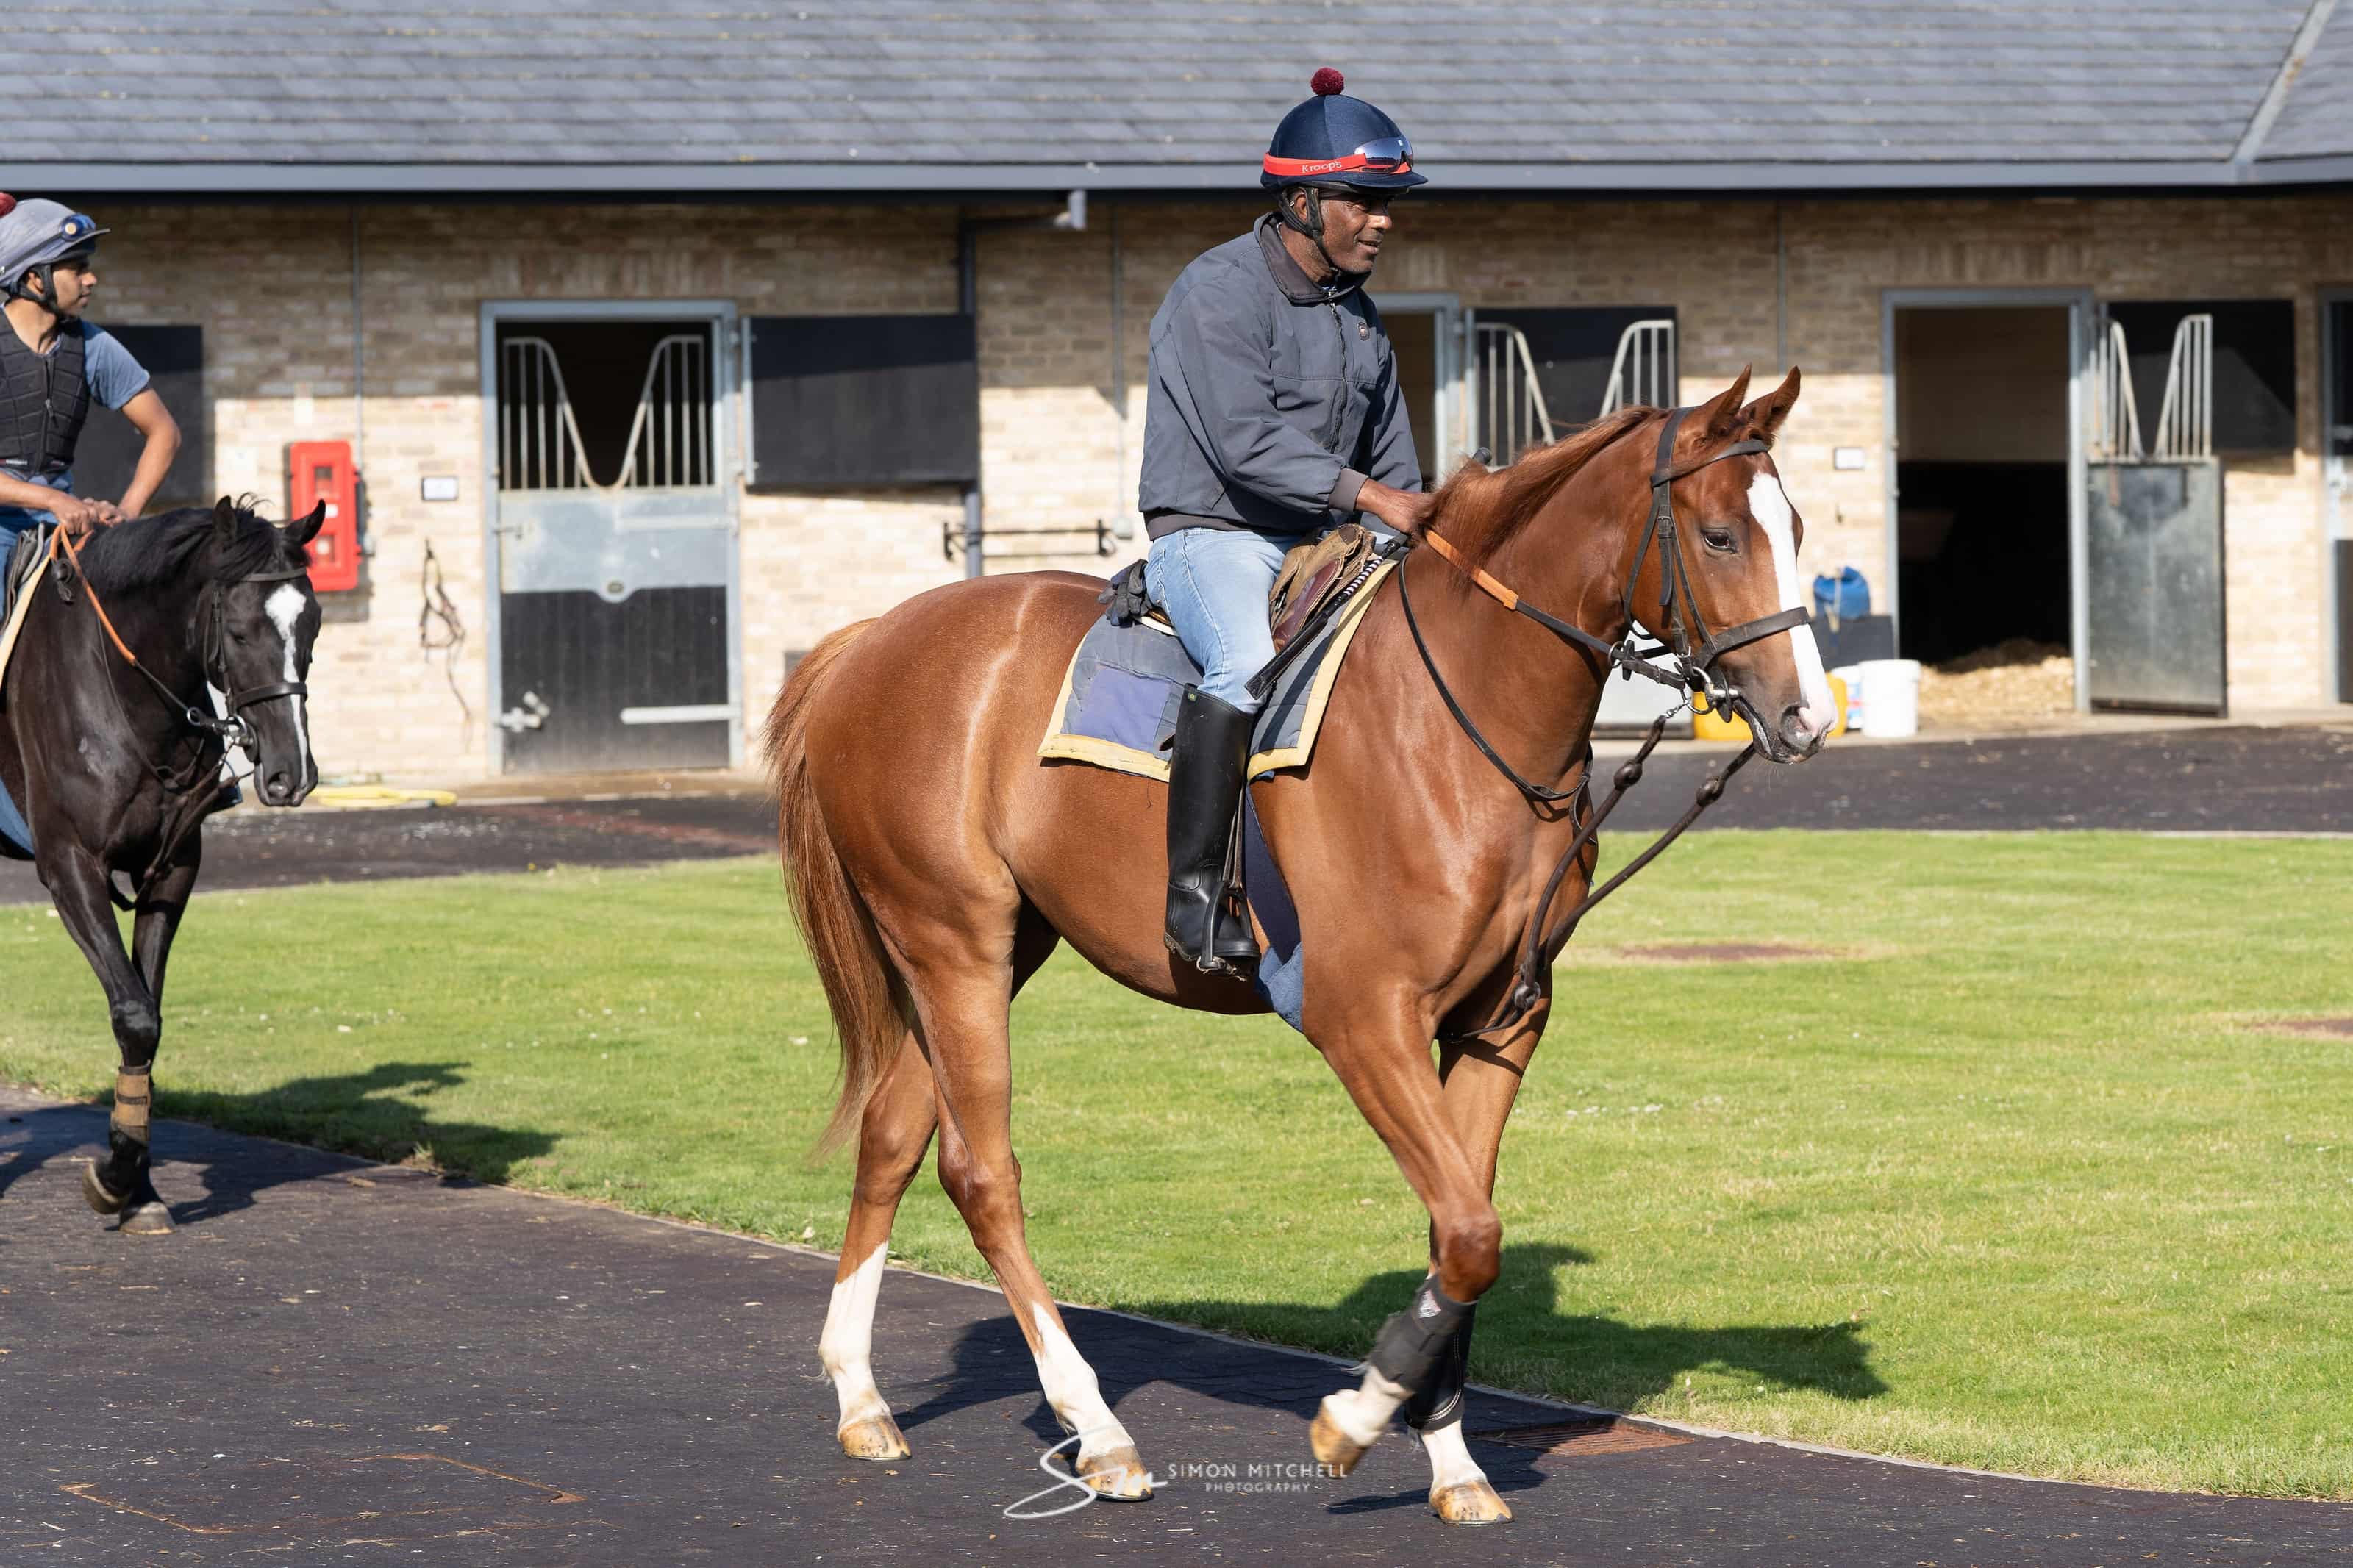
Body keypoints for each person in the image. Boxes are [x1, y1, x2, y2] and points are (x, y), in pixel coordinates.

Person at [1138, 68, 1432, 971]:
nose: (1381, 221)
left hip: (1318, 545)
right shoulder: (1215, 290)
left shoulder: (1360, 319)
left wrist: (1420, 532)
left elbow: (1395, 467)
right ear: (1302, 204)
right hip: (1210, 535)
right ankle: (1194, 896)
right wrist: (1373, 500)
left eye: (1387, 204)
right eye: (1362, 202)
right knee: (1246, 663)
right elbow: (1244, 442)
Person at [0, 197, 182, 557]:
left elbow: (165, 433)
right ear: (35, 278)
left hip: (62, 523)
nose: (91, 279)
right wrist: (52, 499)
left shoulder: (95, 346)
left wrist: (128, 511)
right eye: (77, 270)